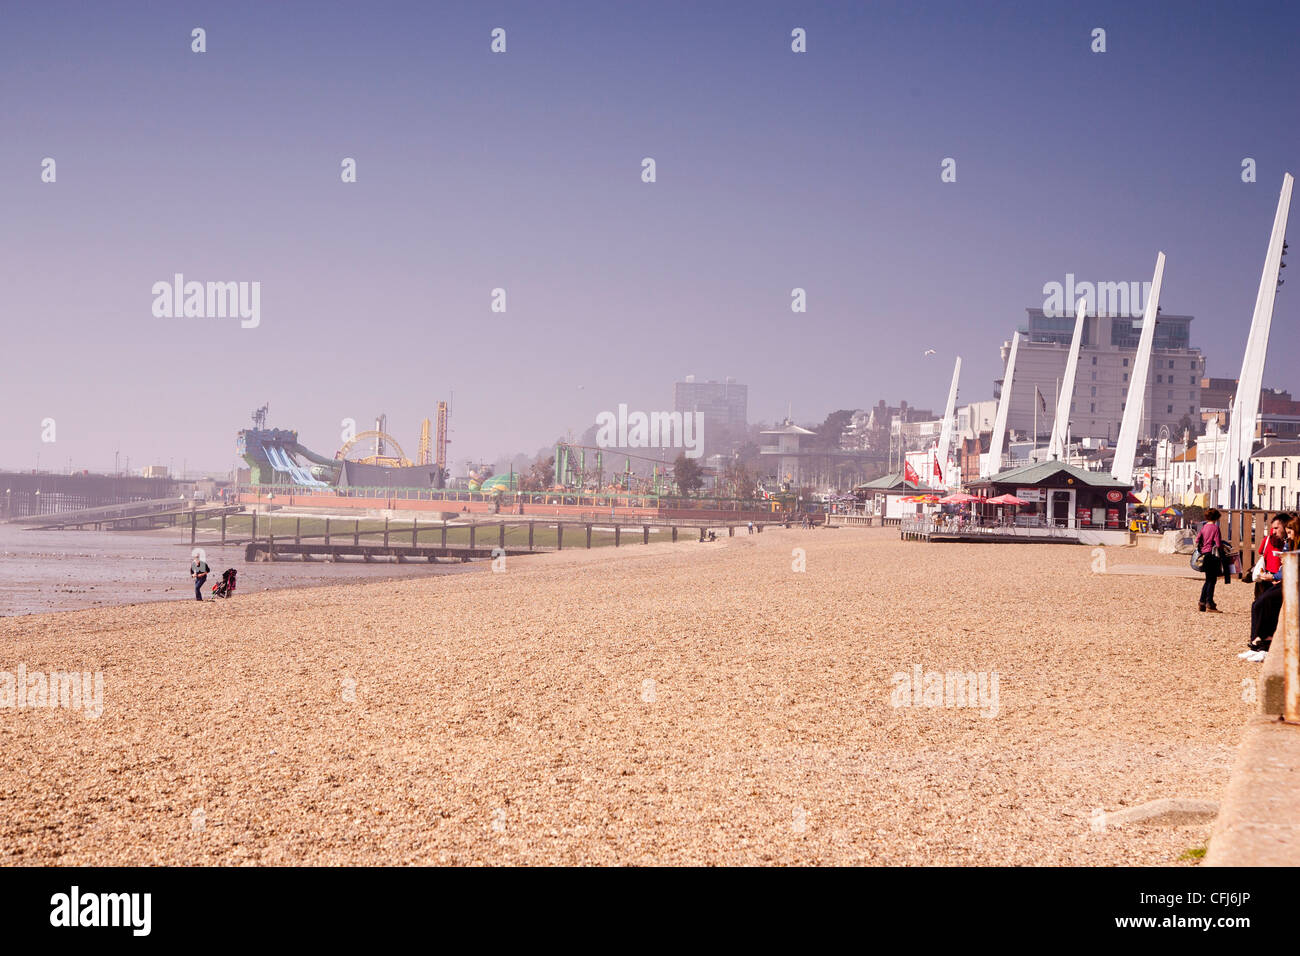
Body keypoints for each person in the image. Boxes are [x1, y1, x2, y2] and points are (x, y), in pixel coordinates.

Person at [1246, 516, 1296, 655]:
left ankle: (1262, 642)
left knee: (1265, 604)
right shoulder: (1283, 542)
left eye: (1276, 528)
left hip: (1285, 581)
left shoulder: (1289, 543)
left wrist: (1275, 576)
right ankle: (1258, 641)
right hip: (1276, 578)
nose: (1273, 532)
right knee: (1260, 604)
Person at [1195, 508, 1224, 612]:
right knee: (1212, 581)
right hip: (1212, 556)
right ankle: (1209, 603)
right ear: (1216, 518)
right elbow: (1218, 543)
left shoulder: (1204, 527)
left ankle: (1202, 602)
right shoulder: (1215, 528)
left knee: (1207, 580)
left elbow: (1197, 540)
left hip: (1205, 555)